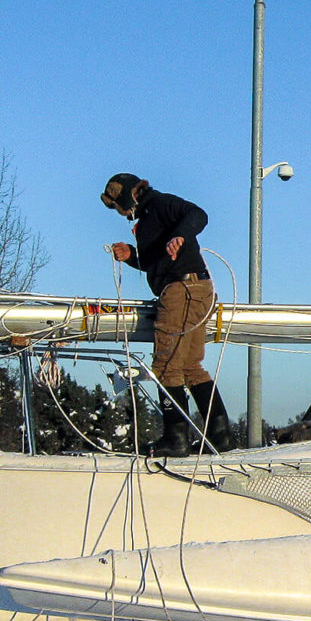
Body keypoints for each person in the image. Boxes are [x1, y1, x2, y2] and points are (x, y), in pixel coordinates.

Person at [103, 172, 233, 455]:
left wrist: (179, 235)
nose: (122, 214)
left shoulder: (159, 204)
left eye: (119, 207)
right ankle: (220, 435)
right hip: (197, 287)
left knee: (165, 366)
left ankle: (176, 438)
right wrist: (132, 256)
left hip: (180, 290)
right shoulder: (149, 218)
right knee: (190, 367)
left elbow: (198, 214)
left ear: (129, 196)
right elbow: (157, 261)